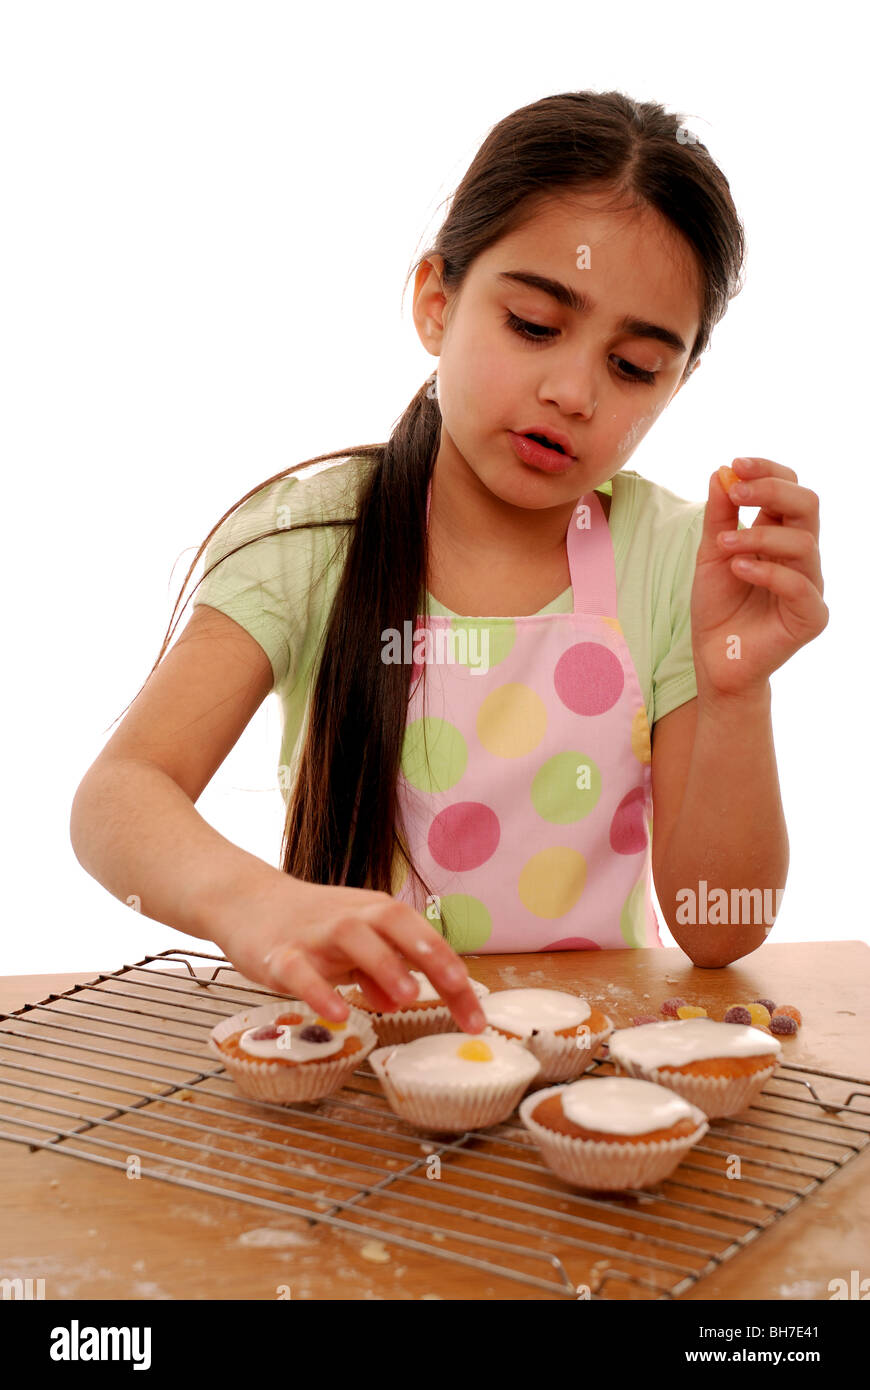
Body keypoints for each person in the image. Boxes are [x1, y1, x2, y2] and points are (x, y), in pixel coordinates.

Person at [70, 90, 827, 1033]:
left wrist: (735, 690)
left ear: (677, 384)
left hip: (579, 1081)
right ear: (438, 302)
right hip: (356, 1066)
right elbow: (117, 796)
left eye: (633, 367)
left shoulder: (676, 557)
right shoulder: (315, 534)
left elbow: (724, 931)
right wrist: (251, 902)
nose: (572, 392)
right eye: (535, 325)